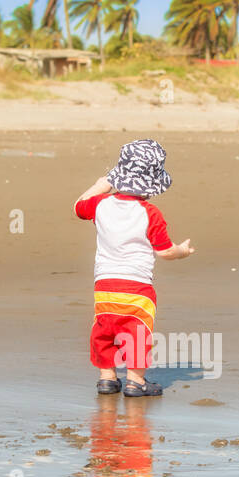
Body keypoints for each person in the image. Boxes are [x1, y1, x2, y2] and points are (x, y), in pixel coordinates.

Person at [74, 139, 195, 397]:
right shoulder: (150, 213)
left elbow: (79, 206)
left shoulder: (100, 205)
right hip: (138, 287)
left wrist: (99, 185)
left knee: (104, 328)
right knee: (136, 332)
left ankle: (107, 378)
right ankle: (135, 381)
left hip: (104, 285)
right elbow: (164, 252)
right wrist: (181, 252)